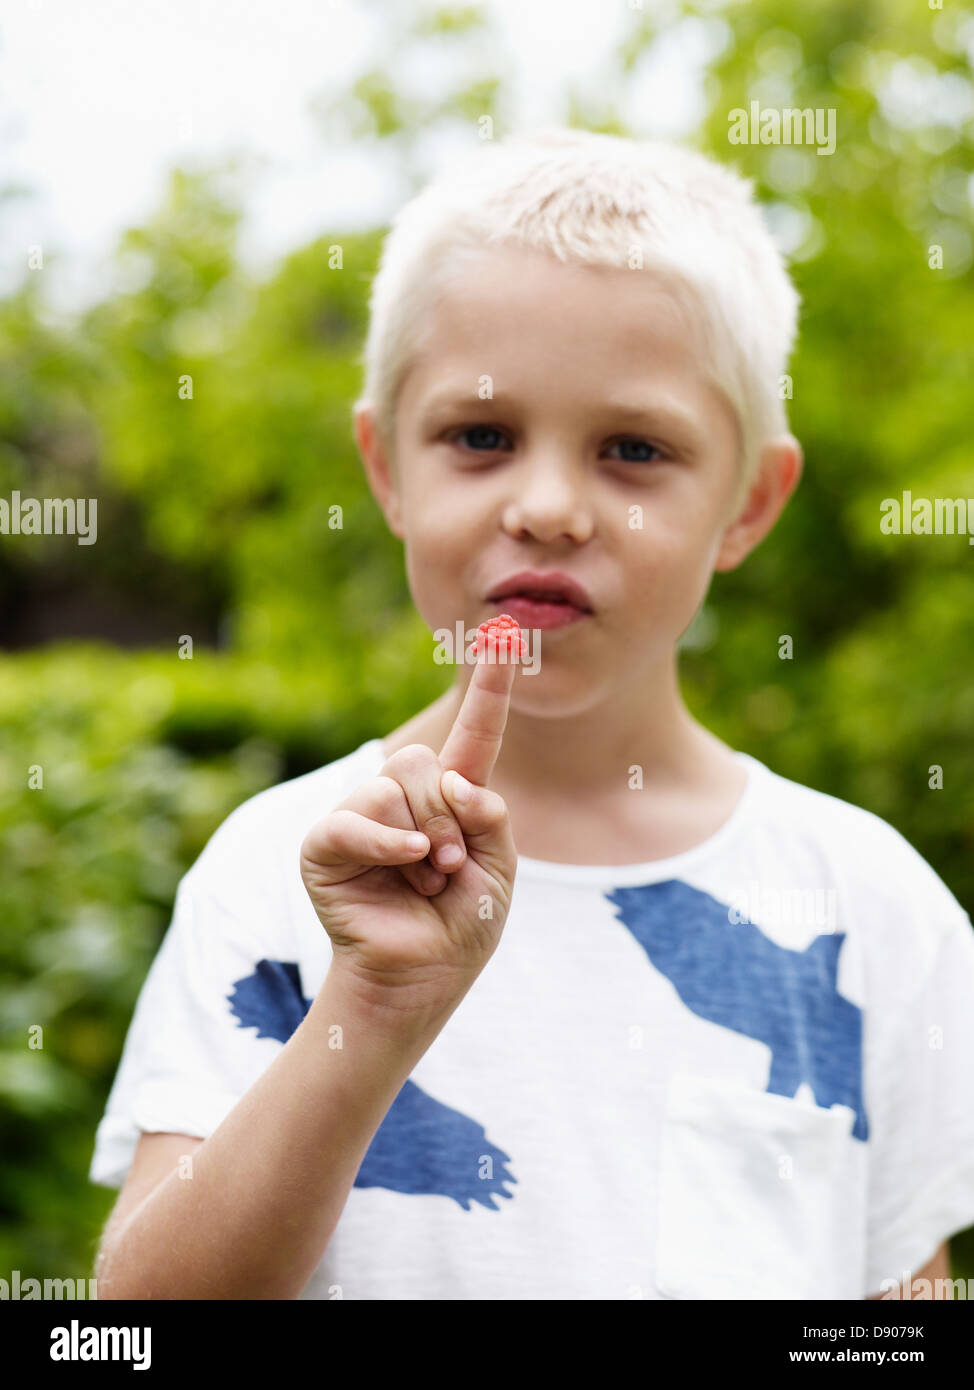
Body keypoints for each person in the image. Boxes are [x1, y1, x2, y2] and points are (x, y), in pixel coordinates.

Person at [90, 128, 974, 1300]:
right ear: (386, 469)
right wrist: (371, 1008)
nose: (549, 507)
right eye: (481, 437)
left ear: (748, 503)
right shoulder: (282, 871)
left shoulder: (869, 903)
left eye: (633, 450)